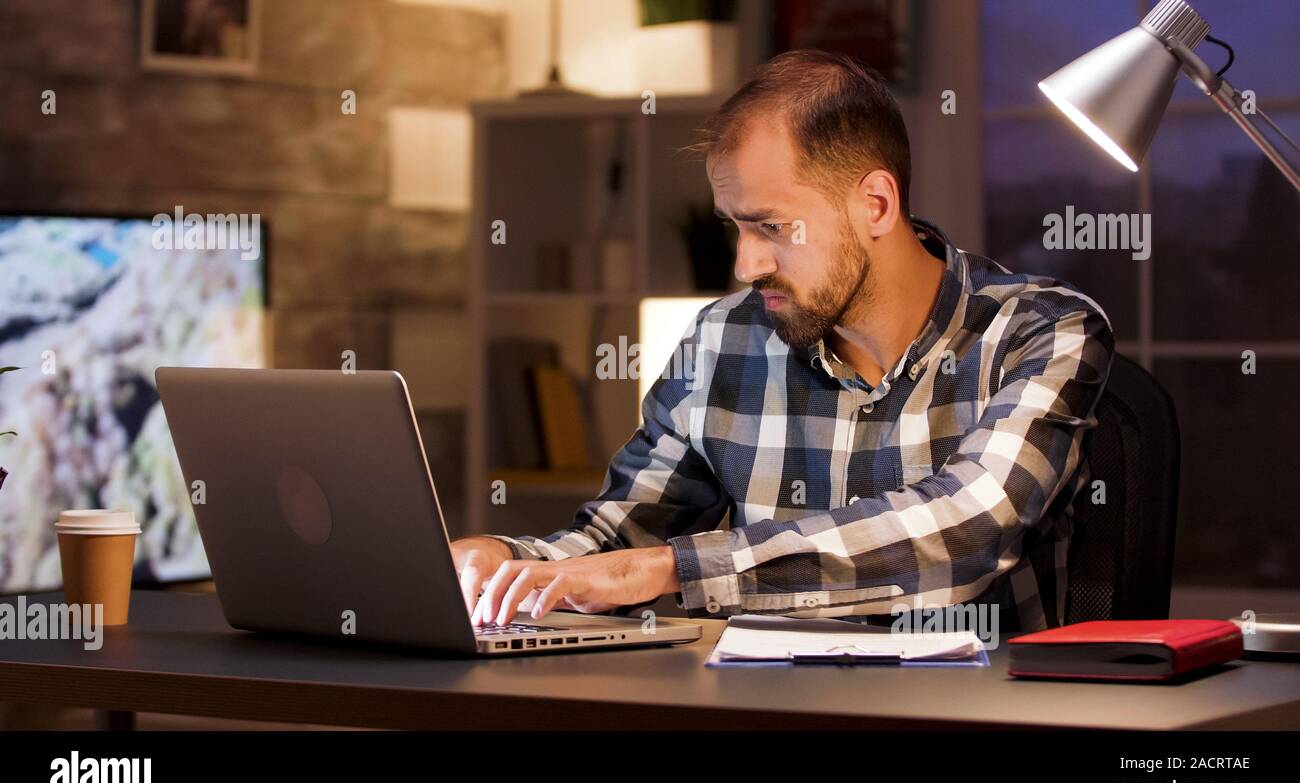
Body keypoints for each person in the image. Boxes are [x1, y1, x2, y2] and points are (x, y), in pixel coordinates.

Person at [451, 49, 1114, 635]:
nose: (746, 264)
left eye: (770, 226)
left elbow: (967, 530)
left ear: (876, 204)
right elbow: (620, 541)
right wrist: (509, 561)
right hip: (765, 713)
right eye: (734, 226)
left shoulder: (1041, 331)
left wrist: (676, 569)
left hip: (974, 720)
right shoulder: (722, 338)